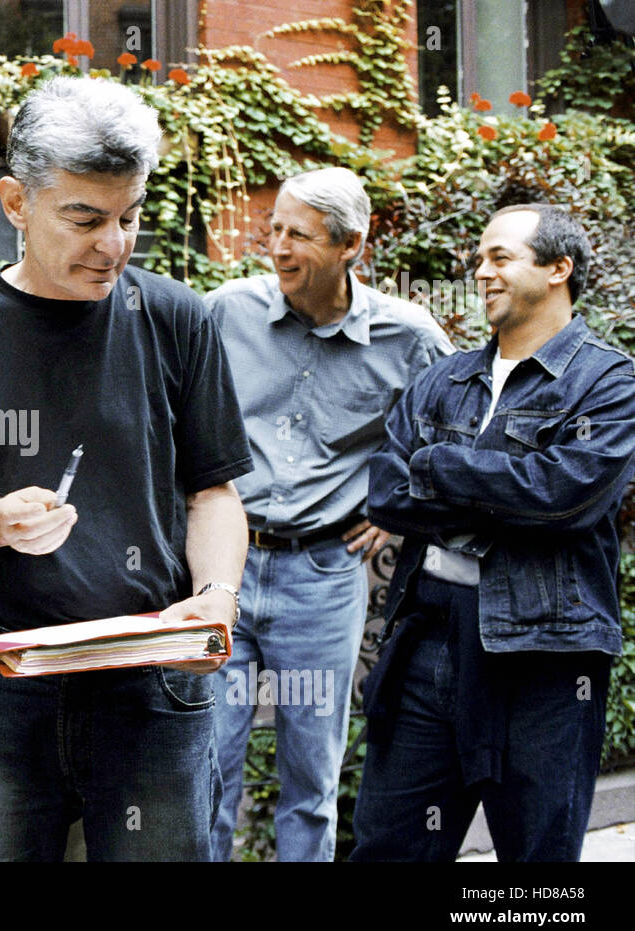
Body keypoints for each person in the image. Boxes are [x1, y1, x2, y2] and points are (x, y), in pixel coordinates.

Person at [0, 75, 253, 861]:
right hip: (4, 679)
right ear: (15, 202)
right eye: (85, 218)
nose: (114, 244)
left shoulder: (179, 319)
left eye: (128, 217)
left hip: (155, 677)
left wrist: (217, 597)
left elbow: (214, 492)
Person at [353, 204, 635, 861]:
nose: (480, 272)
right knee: (390, 848)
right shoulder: (444, 378)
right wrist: (505, 490)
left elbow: (564, 497)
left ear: (558, 268)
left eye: (500, 257)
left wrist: (439, 464)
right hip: (428, 641)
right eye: (478, 258)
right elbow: (388, 492)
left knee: (537, 864)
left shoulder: (610, 381)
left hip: (546, 656)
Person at [204, 167, 453, 862]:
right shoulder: (227, 310)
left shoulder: (408, 336)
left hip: (322, 575)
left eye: (299, 235)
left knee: (310, 780)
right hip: (223, 565)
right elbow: (167, 413)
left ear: (351, 245)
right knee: (209, 769)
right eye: (274, 229)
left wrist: (402, 509)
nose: (278, 247)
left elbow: (458, 429)